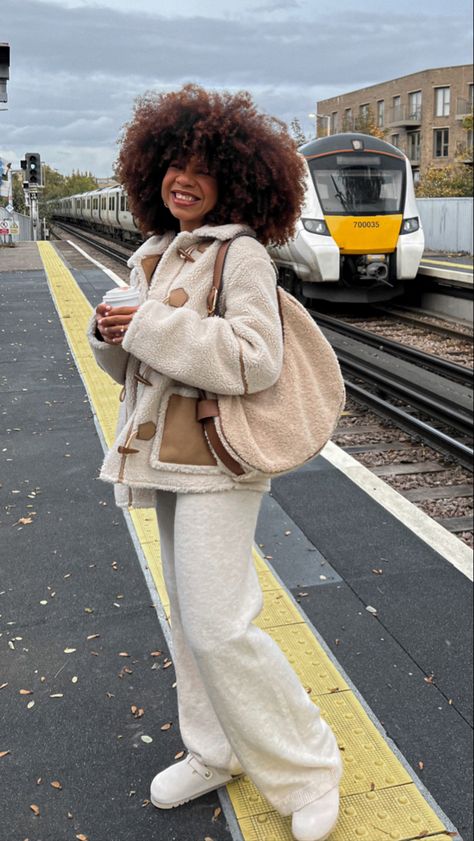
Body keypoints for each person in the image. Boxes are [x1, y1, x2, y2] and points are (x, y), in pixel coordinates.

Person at [88, 84, 342, 841]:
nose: (185, 178)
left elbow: (255, 361)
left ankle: (308, 767)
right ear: (152, 171)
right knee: (192, 621)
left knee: (220, 623)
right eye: (173, 162)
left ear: (236, 180)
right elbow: (141, 371)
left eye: (203, 166)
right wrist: (113, 335)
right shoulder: (159, 253)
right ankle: (214, 748)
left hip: (220, 463)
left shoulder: (242, 256)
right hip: (169, 461)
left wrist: (153, 325)